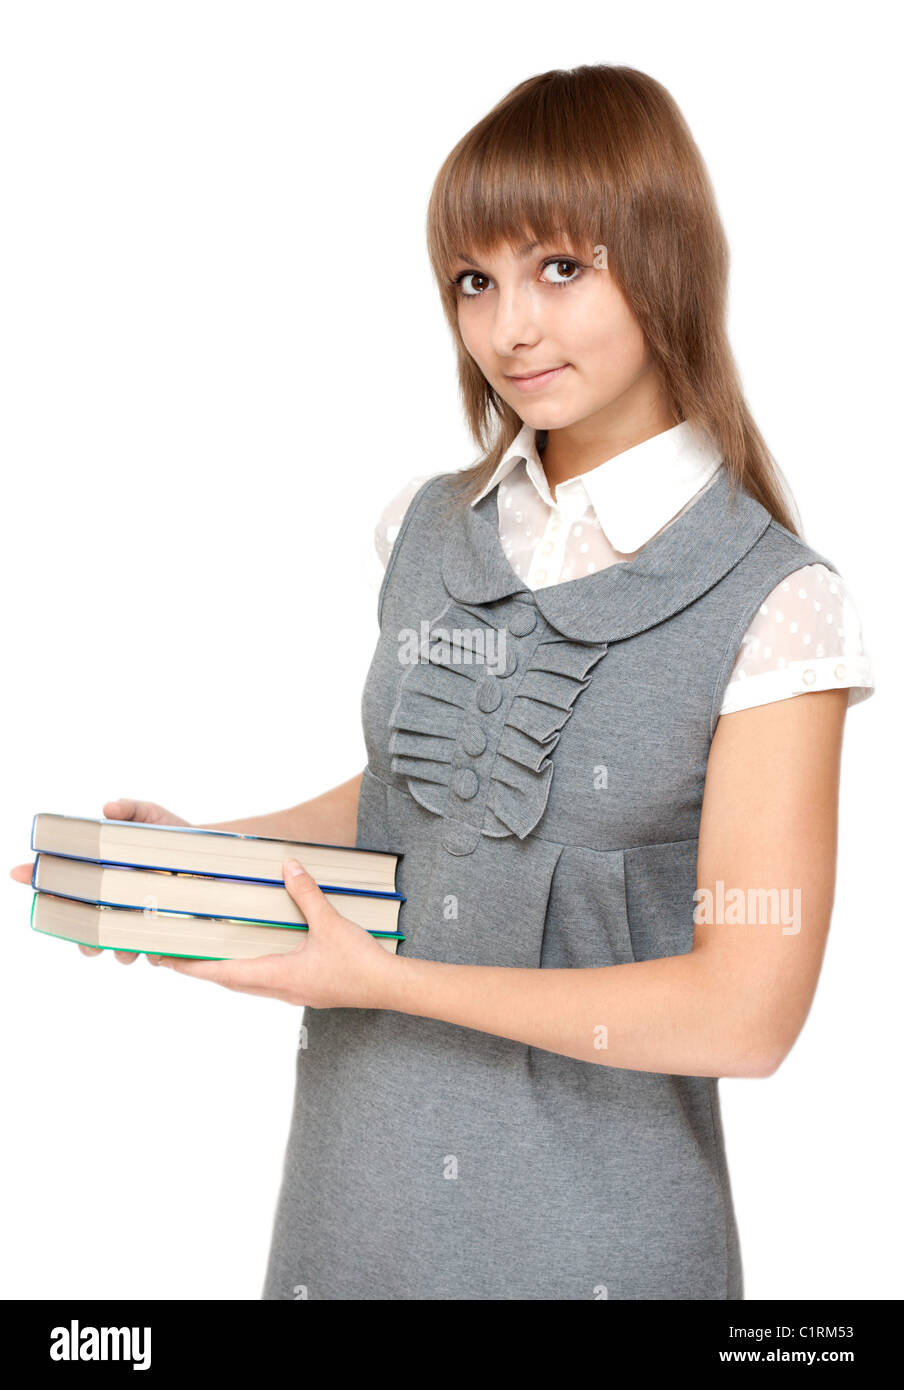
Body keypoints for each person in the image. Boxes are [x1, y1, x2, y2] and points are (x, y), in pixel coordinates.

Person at [12, 64, 875, 1300]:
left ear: (664, 258)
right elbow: (418, 802)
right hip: (354, 1196)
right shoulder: (425, 529)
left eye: (558, 268)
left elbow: (748, 1010)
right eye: (475, 280)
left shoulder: (778, 602)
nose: (509, 325)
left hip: (596, 1239)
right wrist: (199, 862)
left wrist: (384, 980)